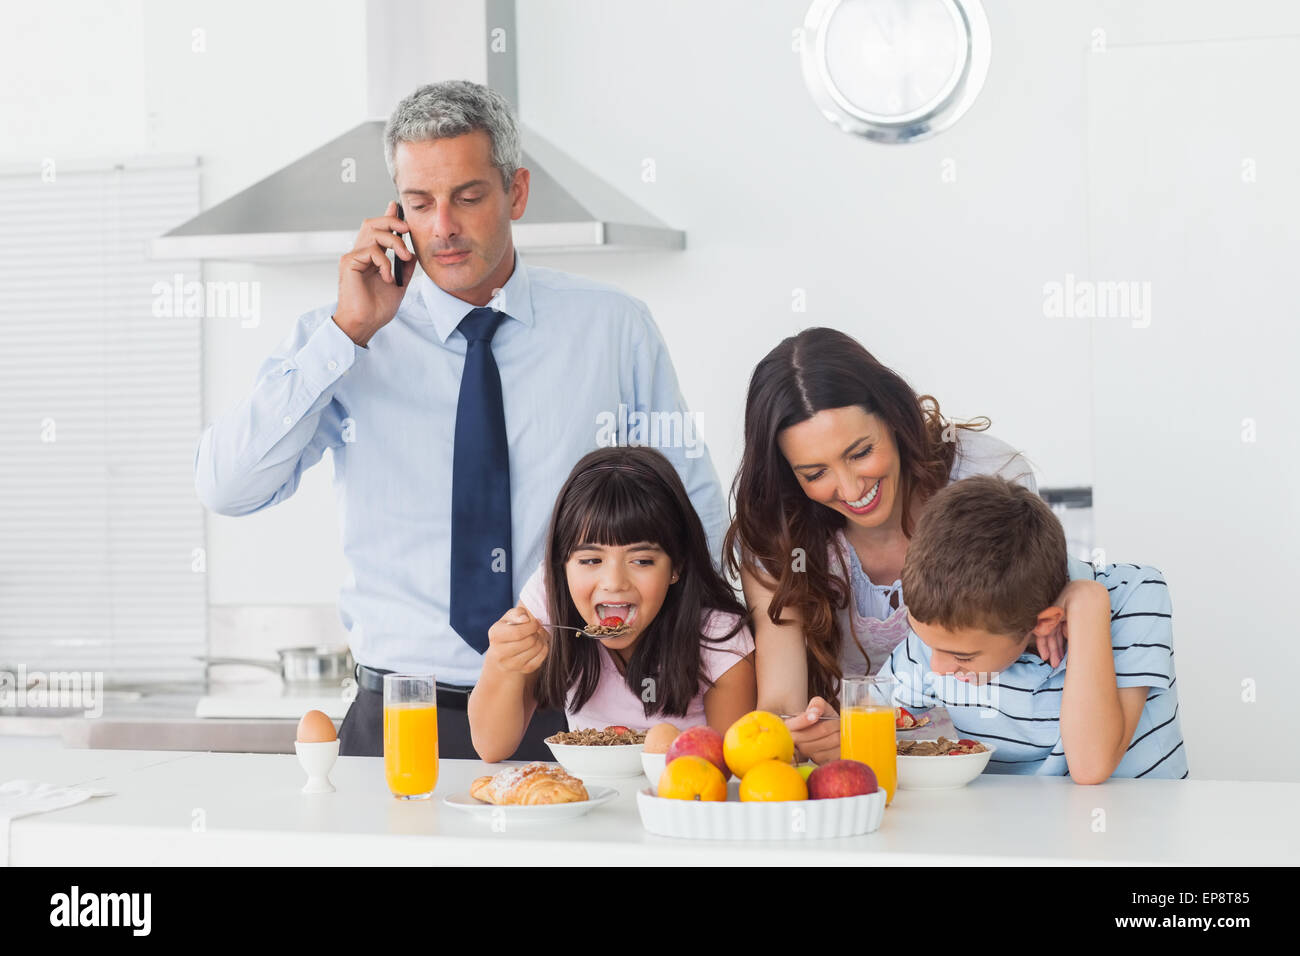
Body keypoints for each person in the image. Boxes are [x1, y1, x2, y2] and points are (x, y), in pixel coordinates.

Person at [194, 81, 726, 759]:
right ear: (396, 209)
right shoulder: (341, 339)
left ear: (517, 193)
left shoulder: (613, 329)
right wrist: (346, 333)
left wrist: (723, 676)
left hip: (573, 714)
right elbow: (227, 487)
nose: (442, 226)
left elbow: (695, 512)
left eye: (468, 197)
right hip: (398, 720)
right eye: (420, 203)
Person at [723, 327, 1055, 764]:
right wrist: (798, 732)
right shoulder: (777, 532)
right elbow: (783, 700)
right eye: (814, 474)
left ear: (893, 418)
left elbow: (1028, 650)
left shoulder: (989, 475)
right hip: (857, 765)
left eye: (860, 452)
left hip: (996, 763)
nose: (849, 487)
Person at [882, 476, 1187, 782]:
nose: (936, 666)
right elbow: (864, 720)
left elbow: (1091, 767)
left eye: (963, 656)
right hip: (1010, 824)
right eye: (925, 642)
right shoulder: (941, 625)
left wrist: (1088, 603)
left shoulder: (1137, 594)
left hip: (1136, 822)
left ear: (1043, 623)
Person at [468, 447, 755, 761]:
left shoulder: (718, 637)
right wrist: (501, 663)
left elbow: (730, 772)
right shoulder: (550, 599)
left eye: (642, 560)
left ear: (676, 566)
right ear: (561, 566)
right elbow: (491, 747)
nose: (614, 582)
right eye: (591, 559)